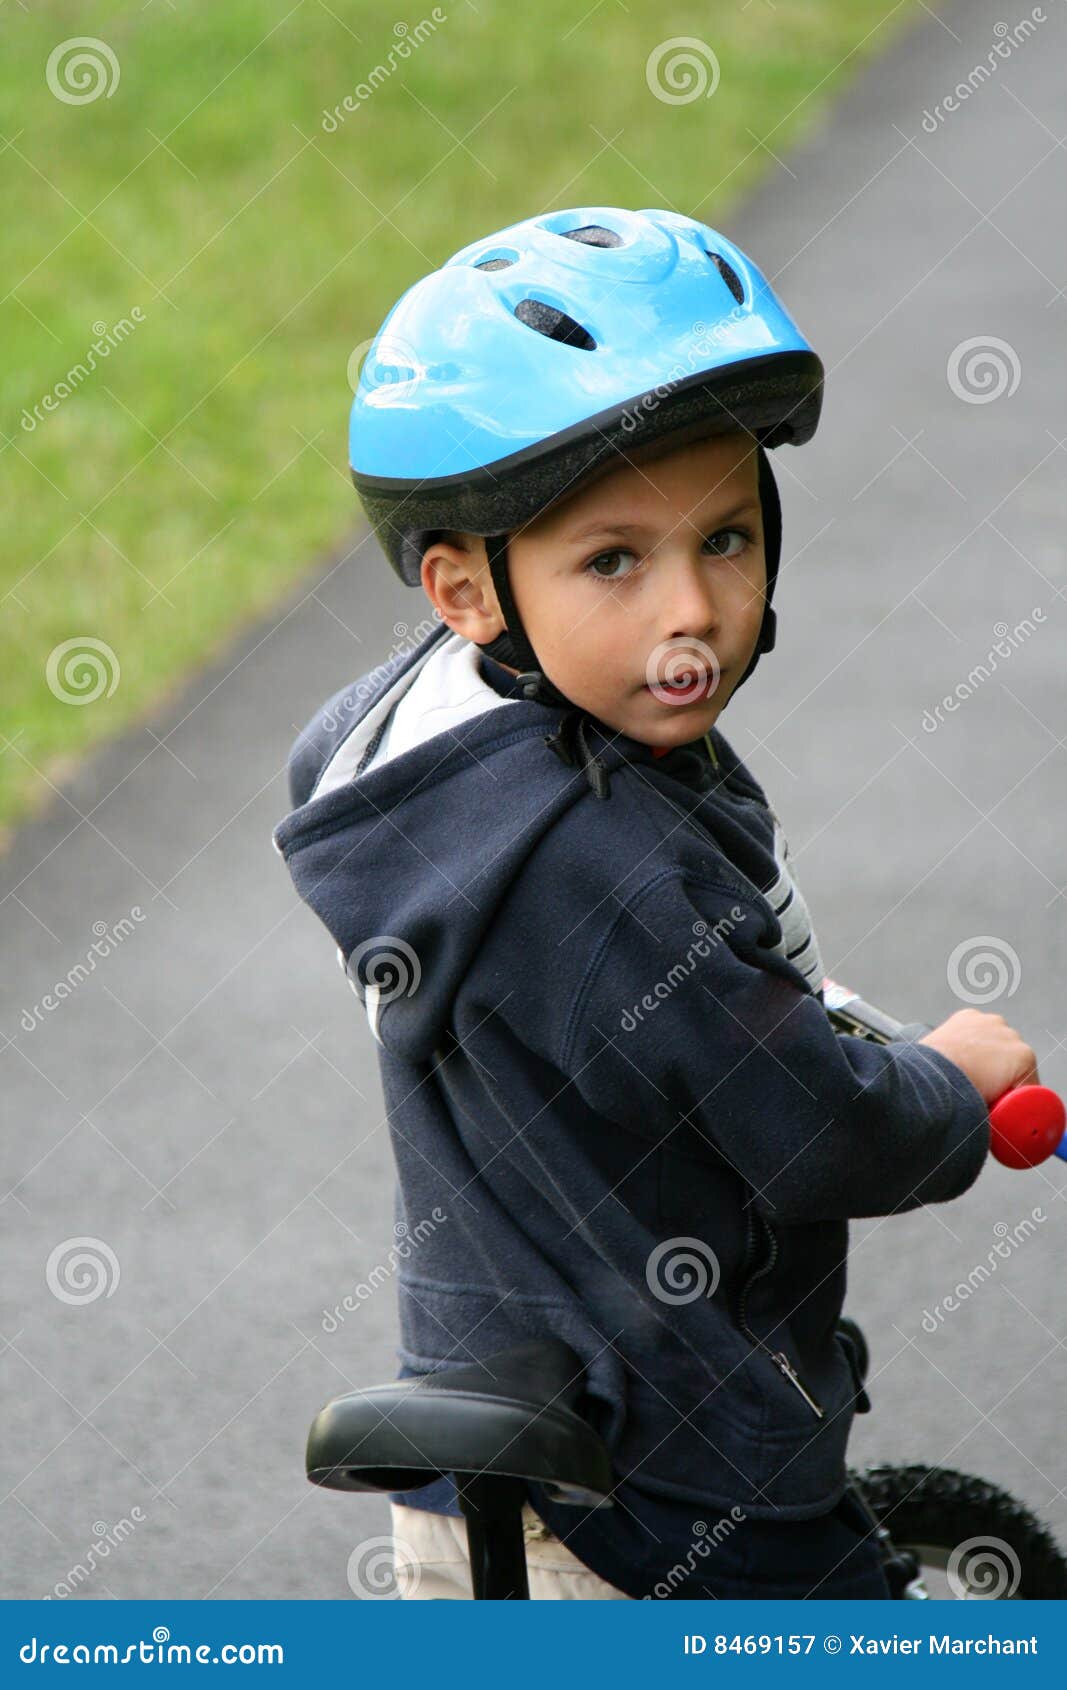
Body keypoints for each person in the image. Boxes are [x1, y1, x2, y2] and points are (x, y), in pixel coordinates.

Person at [273, 206, 1039, 1600]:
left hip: (498, 1453)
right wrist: (950, 1084)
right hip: (675, 1495)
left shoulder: (412, 741)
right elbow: (816, 1130)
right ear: (467, 586)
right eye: (613, 560)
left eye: (729, 539)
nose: (689, 607)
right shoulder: (610, 864)